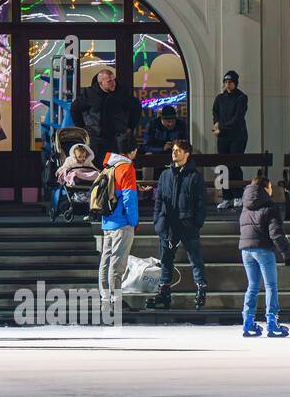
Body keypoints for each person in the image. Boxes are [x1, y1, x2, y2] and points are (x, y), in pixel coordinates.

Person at [146, 139, 209, 310]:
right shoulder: (165, 175)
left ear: (187, 154)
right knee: (166, 259)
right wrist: (157, 220)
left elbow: (201, 202)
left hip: (187, 223)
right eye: (173, 150)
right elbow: (158, 200)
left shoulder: (194, 176)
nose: (174, 153)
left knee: (195, 259)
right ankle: (164, 293)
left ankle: (201, 290)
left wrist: (197, 223)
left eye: (178, 150)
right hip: (168, 224)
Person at [238, 174, 290, 338]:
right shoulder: (270, 206)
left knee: (253, 287)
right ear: (264, 188)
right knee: (271, 286)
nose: (271, 190)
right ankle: (272, 322)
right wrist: (287, 254)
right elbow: (276, 233)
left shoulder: (245, 205)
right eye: (270, 187)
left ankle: (248, 322)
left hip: (246, 250)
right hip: (263, 250)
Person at [95, 133, 139, 308]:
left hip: (107, 221)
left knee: (105, 260)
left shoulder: (109, 166)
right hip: (122, 222)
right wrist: (133, 221)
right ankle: (116, 299)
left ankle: (105, 298)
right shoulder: (127, 168)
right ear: (133, 151)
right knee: (118, 264)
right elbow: (129, 199)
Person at [70, 68, 141, 164]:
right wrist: (82, 128)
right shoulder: (90, 94)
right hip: (96, 139)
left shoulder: (121, 93)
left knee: (116, 168)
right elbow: (75, 109)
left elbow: (136, 107)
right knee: (96, 167)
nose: (113, 83)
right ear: (101, 83)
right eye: (109, 81)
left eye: (114, 80)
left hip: (117, 139)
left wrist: (130, 127)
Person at [213, 70, 249, 210]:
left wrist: (220, 127)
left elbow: (237, 119)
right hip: (223, 136)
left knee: (234, 165)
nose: (228, 85)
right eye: (226, 82)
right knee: (223, 167)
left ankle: (238, 195)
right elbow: (215, 112)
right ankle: (227, 197)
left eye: (231, 82)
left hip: (237, 136)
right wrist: (216, 123)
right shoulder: (220, 98)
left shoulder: (241, 98)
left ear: (235, 83)